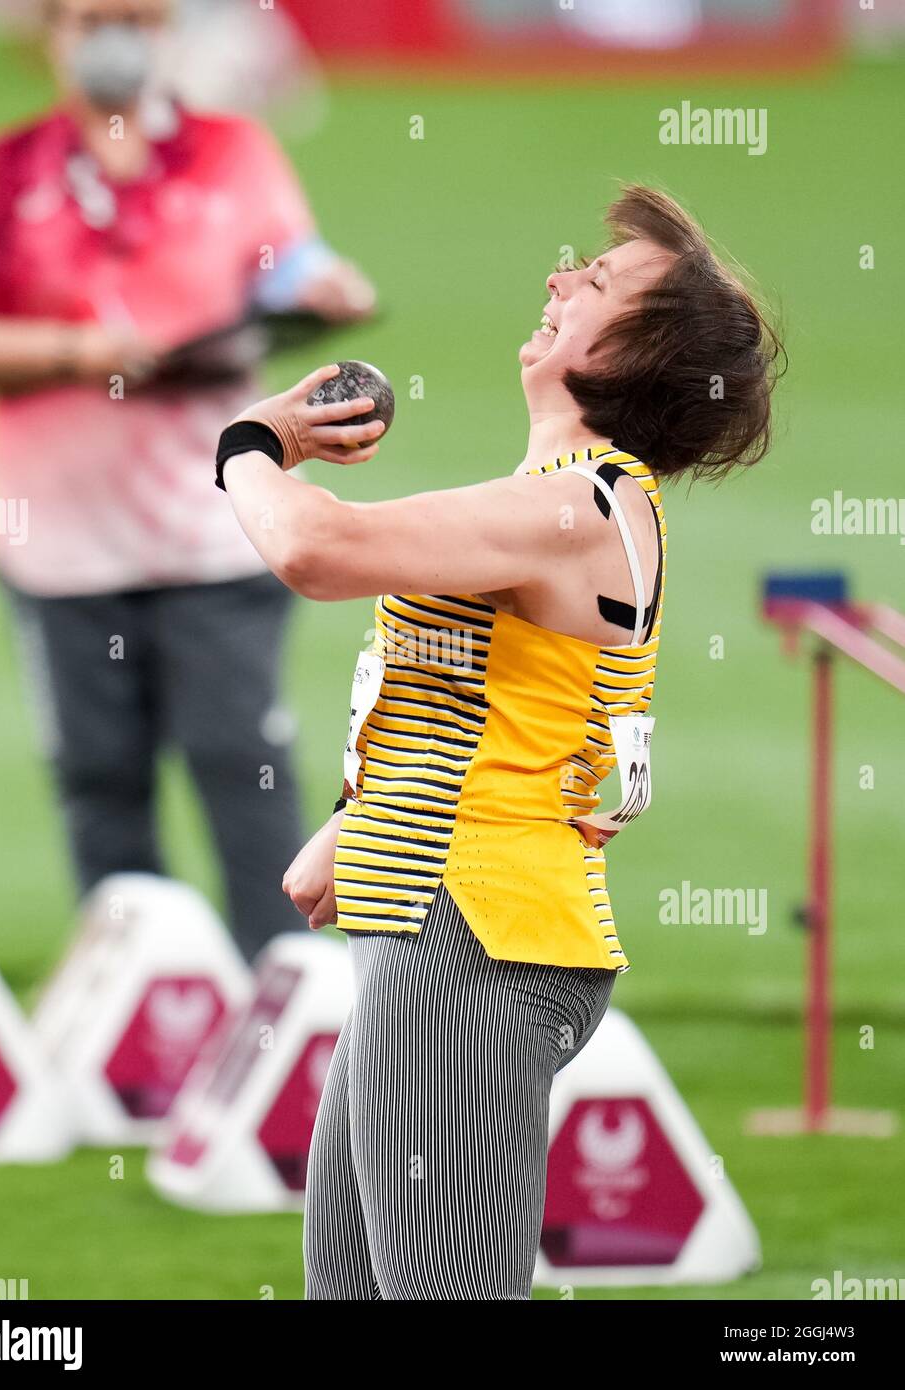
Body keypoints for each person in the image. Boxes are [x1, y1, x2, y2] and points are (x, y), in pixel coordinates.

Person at [216, 186, 781, 1299]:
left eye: (598, 283)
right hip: (428, 925)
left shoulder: (579, 505)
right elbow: (528, 705)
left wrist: (248, 444)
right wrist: (353, 823)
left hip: (468, 937)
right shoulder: (569, 501)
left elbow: (314, 550)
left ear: (632, 353)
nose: (558, 280)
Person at [0, 0, 375, 962]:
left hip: (218, 526)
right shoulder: (2, 174)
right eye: (93, 19)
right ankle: (138, 1009)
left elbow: (289, 263)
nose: (116, 39)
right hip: (60, 540)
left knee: (242, 763)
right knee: (99, 778)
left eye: (136, 17)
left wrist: (327, 290)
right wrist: (76, 350)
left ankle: (286, 999)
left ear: (171, 33)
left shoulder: (233, 152)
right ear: (49, 34)